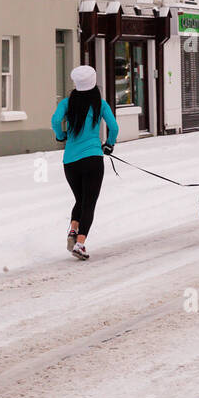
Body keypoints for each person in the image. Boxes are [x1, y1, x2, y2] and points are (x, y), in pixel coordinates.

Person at [51, 65, 118, 260]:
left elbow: (55, 120)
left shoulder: (66, 103)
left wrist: (61, 135)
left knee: (80, 199)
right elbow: (113, 127)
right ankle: (80, 244)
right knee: (89, 202)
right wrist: (109, 145)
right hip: (93, 159)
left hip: (70, 161)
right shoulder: (100, 104)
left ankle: (73, 230)